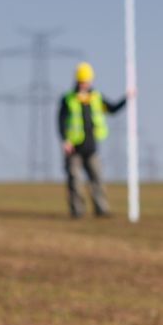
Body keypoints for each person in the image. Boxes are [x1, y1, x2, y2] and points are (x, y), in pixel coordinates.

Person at [58, 62, 129, 218]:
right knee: (75, 181)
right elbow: (61, 121)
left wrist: (127, 98)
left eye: (87, 80)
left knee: (97, 180)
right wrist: (65, 140)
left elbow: (112, 109)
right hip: (74, 147)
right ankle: (77, 211)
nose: (85, 83)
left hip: (91, 147)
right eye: (82, 80)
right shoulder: (68, 99)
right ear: (77, 80)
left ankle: (101, 209)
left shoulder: (96, 97)